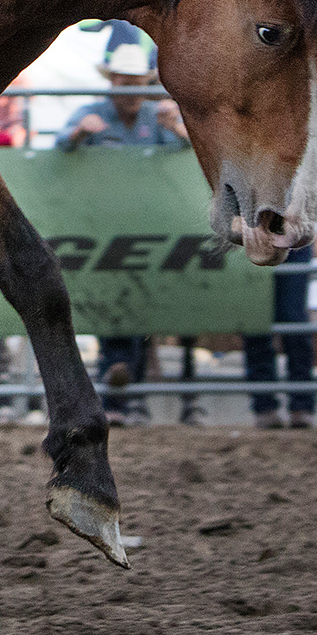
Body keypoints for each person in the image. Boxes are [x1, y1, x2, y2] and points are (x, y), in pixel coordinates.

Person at [54, 42, 188, 425]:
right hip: (104, 228)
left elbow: (188, 155)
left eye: (136, 83)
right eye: (124, 82)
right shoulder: (91, 114)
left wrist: (176, 127)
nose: (131, 91)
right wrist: (79, 134)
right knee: (115, 301)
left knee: (137, 306)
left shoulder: (157, 116)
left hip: (145, 226)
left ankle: (120, 387)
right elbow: (59, 148)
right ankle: (120, 383)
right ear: (112, 83)